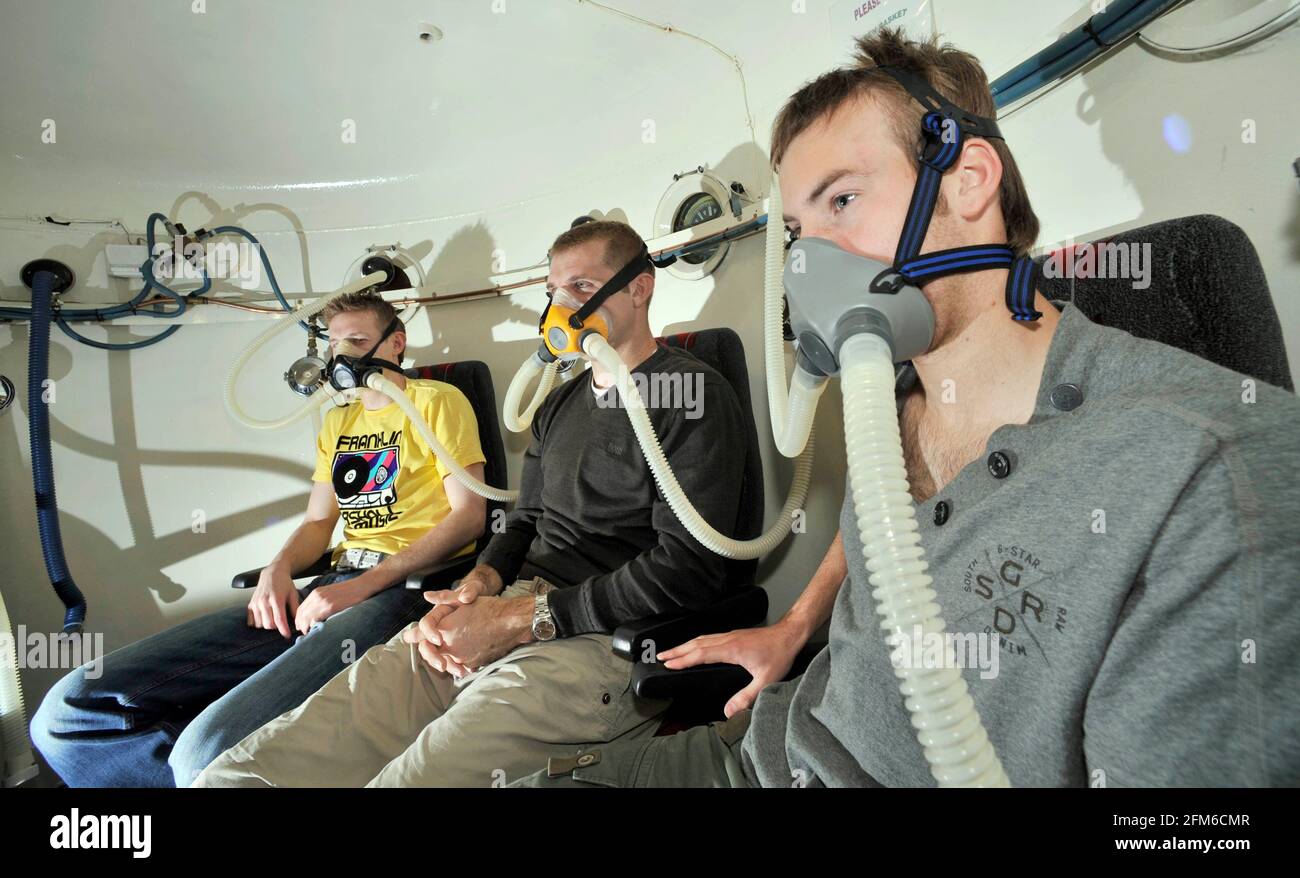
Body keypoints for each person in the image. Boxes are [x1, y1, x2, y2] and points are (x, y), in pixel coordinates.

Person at [511, 26, 1300, 789]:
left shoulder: (1210, 467)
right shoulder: (887, 399)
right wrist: (795, 627)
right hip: (763, 751)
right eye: (796, 232)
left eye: (843, 201)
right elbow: (880, 528)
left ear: (969, 180)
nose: (808, 266)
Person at [193, 220, 750, 787]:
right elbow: (523, 523)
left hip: (600, 639)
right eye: (554, 292)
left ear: (639, 288)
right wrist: (482, 583)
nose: (563, 307)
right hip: (506, 610)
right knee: (241, 773)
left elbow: (689, 569)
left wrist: (524, 619)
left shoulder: (690, 394)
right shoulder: (558, 405)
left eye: (582, 287)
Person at [30, 290, 488, 786]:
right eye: (334, 343)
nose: (343, 356)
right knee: (68, 714)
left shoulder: (437, 401)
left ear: (396, 342)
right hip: (332, 585)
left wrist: (366, 585)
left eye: (357, 340)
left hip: (403, 592)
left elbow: (469, 516)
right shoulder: (339, 421)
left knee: (206, 751)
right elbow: (318, 523)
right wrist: (277, 570)